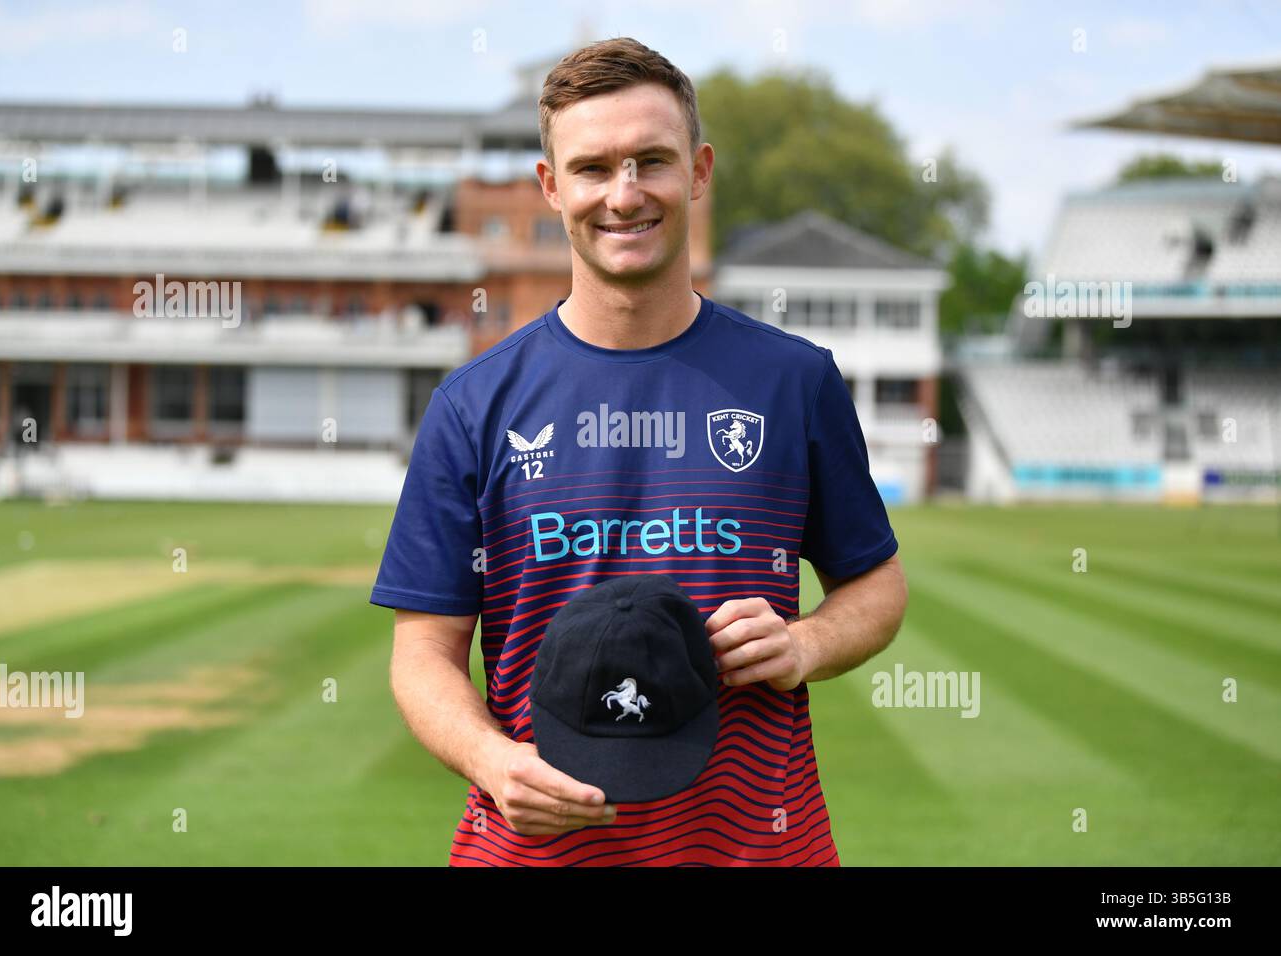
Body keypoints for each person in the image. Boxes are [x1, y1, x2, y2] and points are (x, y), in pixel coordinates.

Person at [371, 36, 908, 866]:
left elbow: (875, 585)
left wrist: (803, 645)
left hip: (759, 848)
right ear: (552, 187)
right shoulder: (473, 406)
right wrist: (491, 760)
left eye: (651, 161)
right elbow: (422, 653)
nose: (624, 196)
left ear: (698, 172)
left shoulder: (792, 382)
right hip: (533, 850)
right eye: (592, 168)